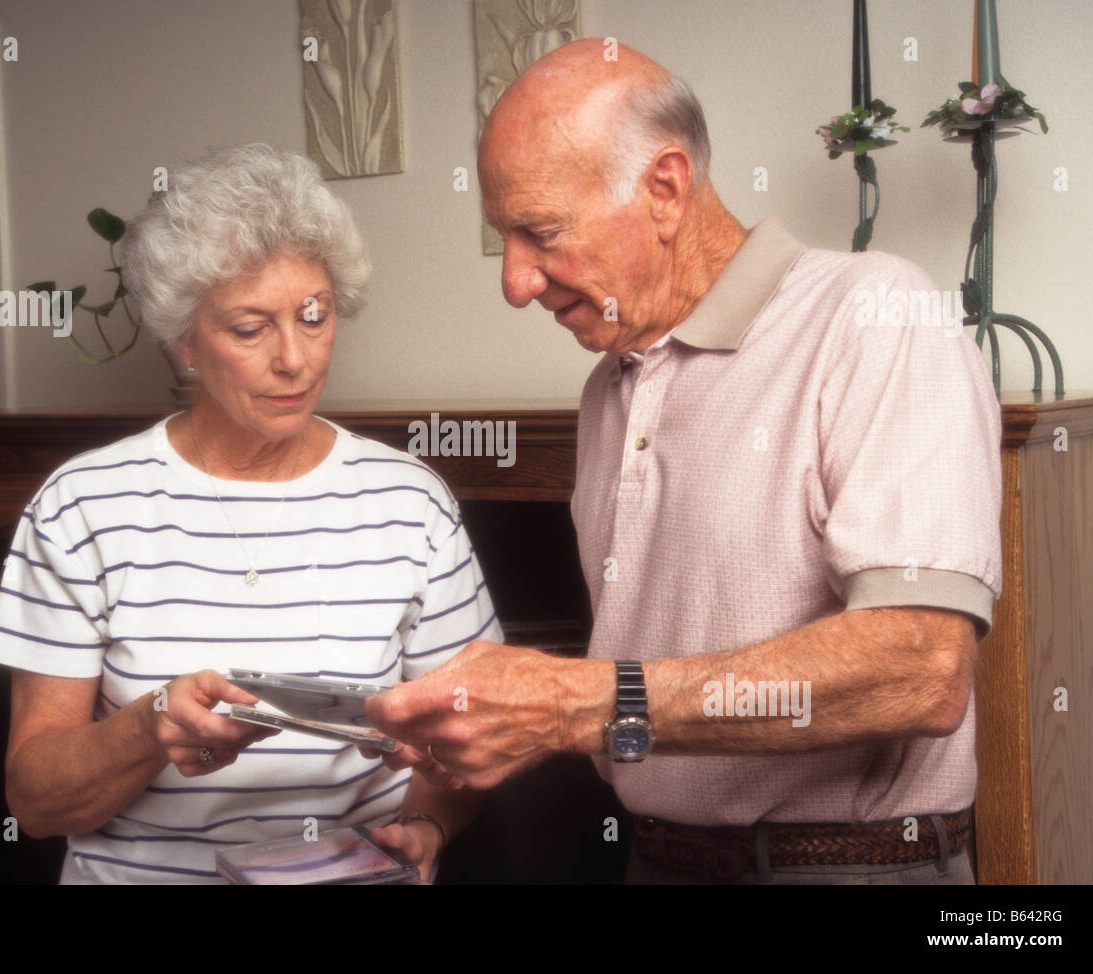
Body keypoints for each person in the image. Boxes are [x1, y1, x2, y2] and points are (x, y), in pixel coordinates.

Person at [366, 40, 1002, 885]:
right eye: (503, 239)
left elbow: (920, 669)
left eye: (540, 232)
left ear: (664, 190)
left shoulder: (882, 316)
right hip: (654, 860)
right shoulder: (609, 388)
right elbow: (642, 702)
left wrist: (572, 704)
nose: (515, 282)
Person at [0, 143, 496, 883]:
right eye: (250, 329)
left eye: (314, 317)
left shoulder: (411, 502)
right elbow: (33, 800)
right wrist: (153, 725)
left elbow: (469, 738)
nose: (296, 359)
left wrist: (425, 824)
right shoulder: (81, 505)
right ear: (185, 340)